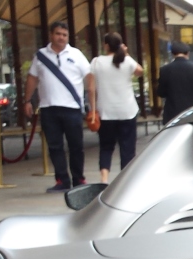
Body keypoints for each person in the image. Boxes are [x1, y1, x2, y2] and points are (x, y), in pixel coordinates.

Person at [23, 21, 95, 193]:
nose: (61, 37)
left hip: (72, 109)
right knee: (55, 147)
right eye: (58, 34)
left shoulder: (76, 54)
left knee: (76, 146)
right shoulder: (40, 56)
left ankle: (79, 179)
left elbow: (90, 77)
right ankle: (62, 180)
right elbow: (32, 79)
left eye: (64, 35)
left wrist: (93, 106)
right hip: (49, 108)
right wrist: (26, 101)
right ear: (51, 35)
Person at [89, 32, 144, 184]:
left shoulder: (96, 62)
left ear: (106, 45)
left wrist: (93, 109)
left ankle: (104, 178)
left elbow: (91, 89)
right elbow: (140, 71)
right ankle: (125, 181)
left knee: (106, 146)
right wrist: (126, 54)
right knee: (127, 148)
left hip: (106, 112)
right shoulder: (126, 61)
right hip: (127, 111)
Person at [156, 42, 193, 123]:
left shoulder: (164, 70)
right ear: (188, 53)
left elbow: (161, 93)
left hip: (172, 114)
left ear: (173, 53)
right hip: (191, 112)